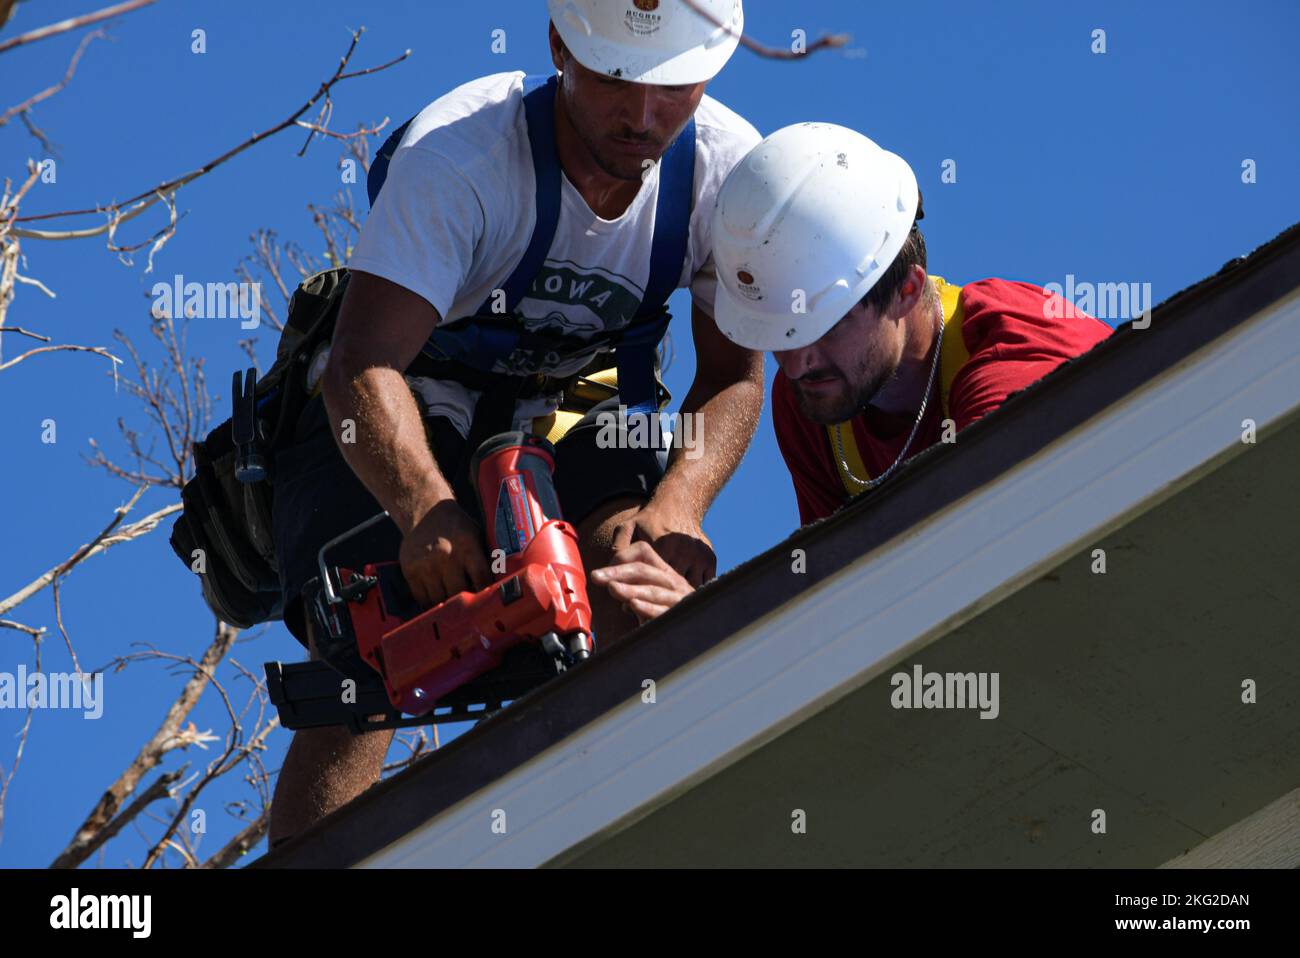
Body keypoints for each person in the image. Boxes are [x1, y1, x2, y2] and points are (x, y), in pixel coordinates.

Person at [267, 0, 764, 847]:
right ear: (560, 45)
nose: (643, 116)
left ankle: (631, 833)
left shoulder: (726, 173)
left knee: (637, 581)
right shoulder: (460, 156)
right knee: (376, 644)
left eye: (672, 87)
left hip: (574, 397)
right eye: (615, 79)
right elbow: (363, 365)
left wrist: (681, 505)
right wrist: (425, 507)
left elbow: (734, 377)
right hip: (411, 391)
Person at [710, 122, 1115, 525]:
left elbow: (978, 548)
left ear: (905, 290)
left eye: (825, 328)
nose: (797, 365)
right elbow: (843, 584)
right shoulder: (814, 398)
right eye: (780, 335)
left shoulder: (1014, 352)